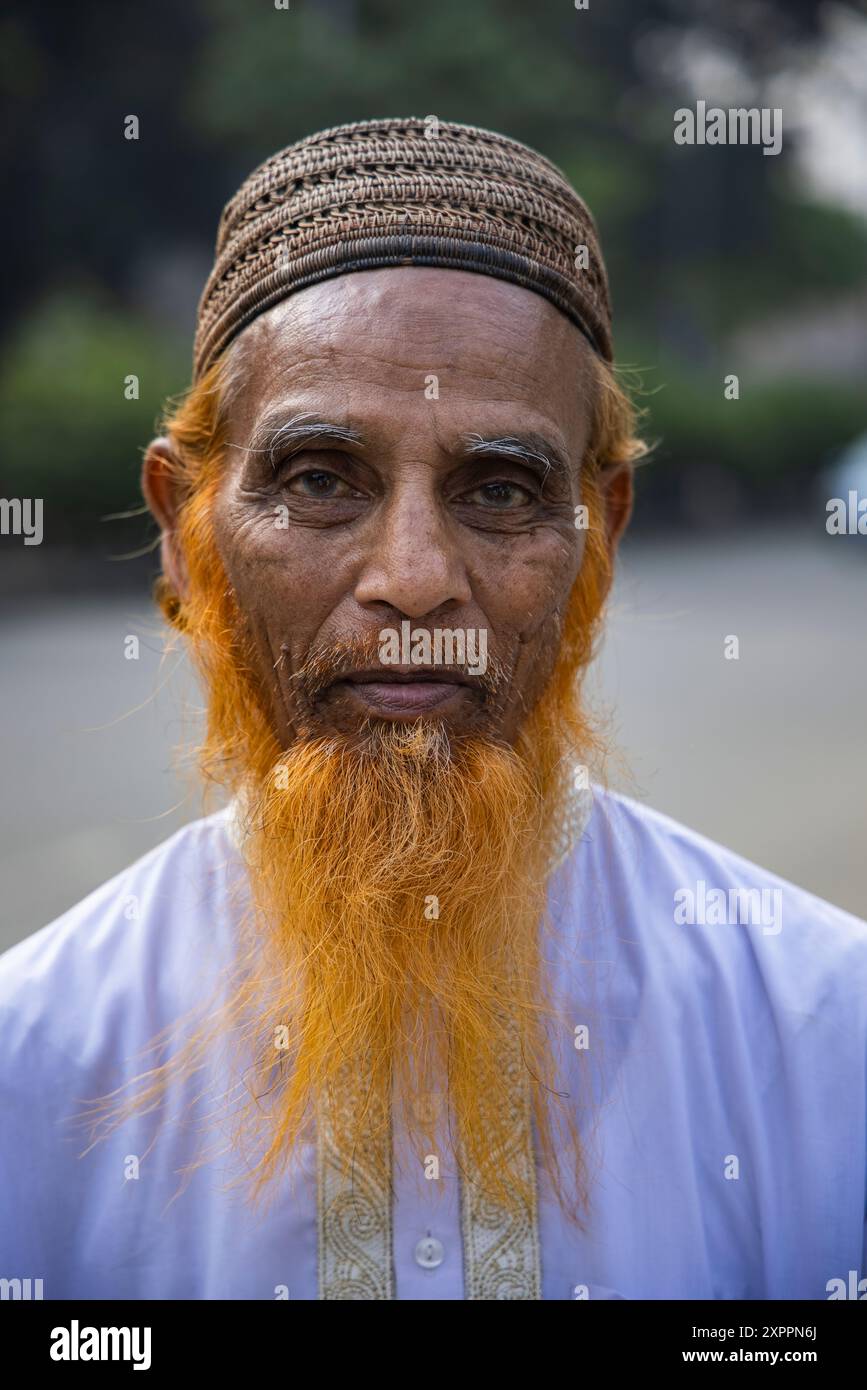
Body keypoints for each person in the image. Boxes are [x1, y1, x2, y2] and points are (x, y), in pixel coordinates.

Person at [1, 117, 865, 1302]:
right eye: (319, 480)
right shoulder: (31, 1053)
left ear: (597, 538)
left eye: (500, 489)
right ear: (184, 528)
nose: (412, 576)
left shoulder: (825, 1032)